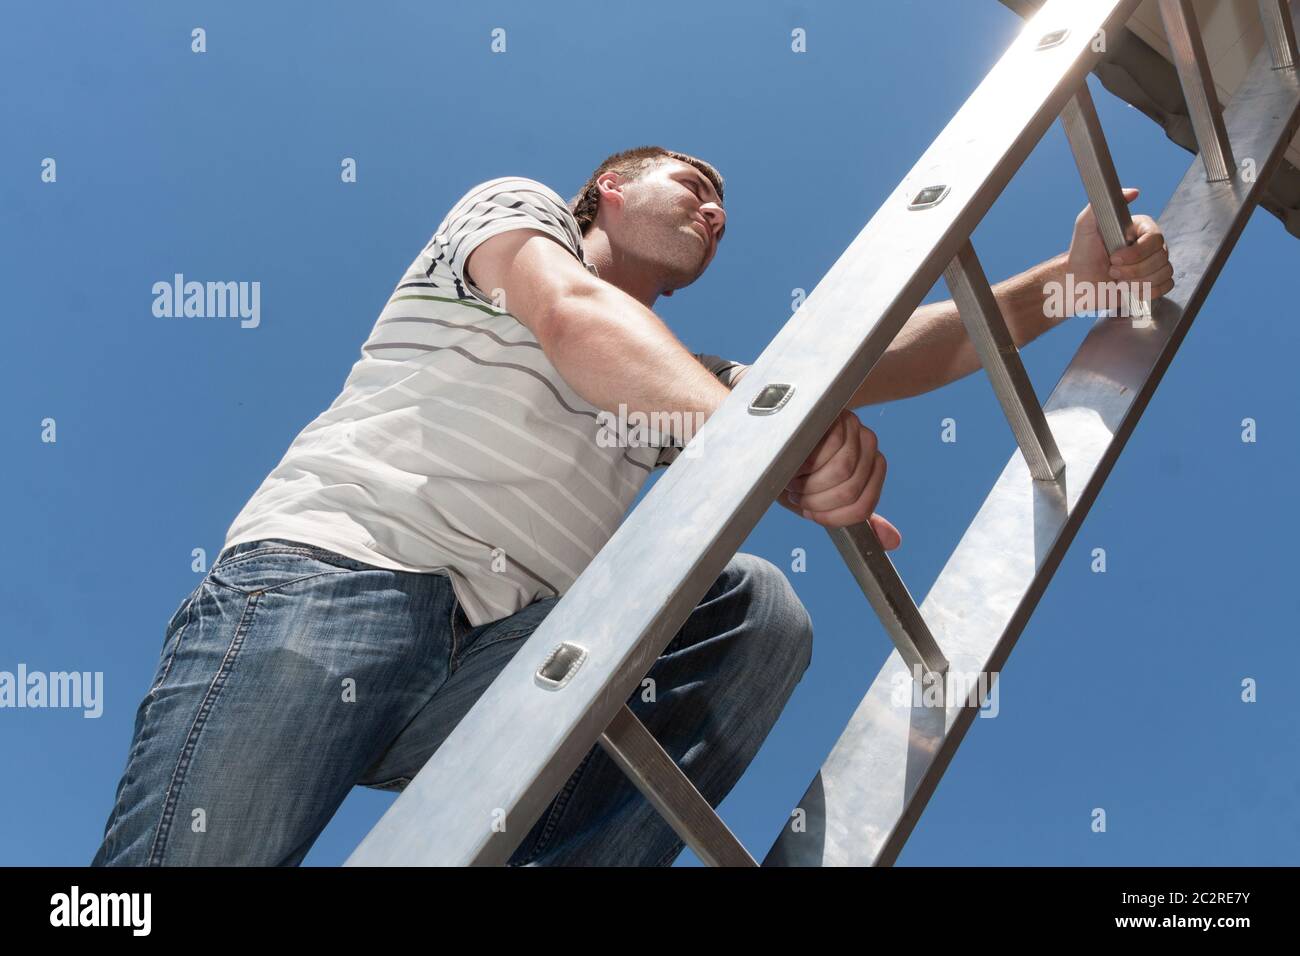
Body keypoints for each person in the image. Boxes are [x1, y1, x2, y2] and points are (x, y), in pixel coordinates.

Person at [91, 145, 1172, 866]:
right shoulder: (513, 216)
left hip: (502, 669)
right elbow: (571, 319)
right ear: (605, 186)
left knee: (756, 610)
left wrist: (1063, 287)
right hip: (335, 580)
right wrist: (766, 449)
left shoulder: (681, 378)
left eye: (723, 205)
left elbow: (872, 356)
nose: (715, 207)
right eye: (690, 182)